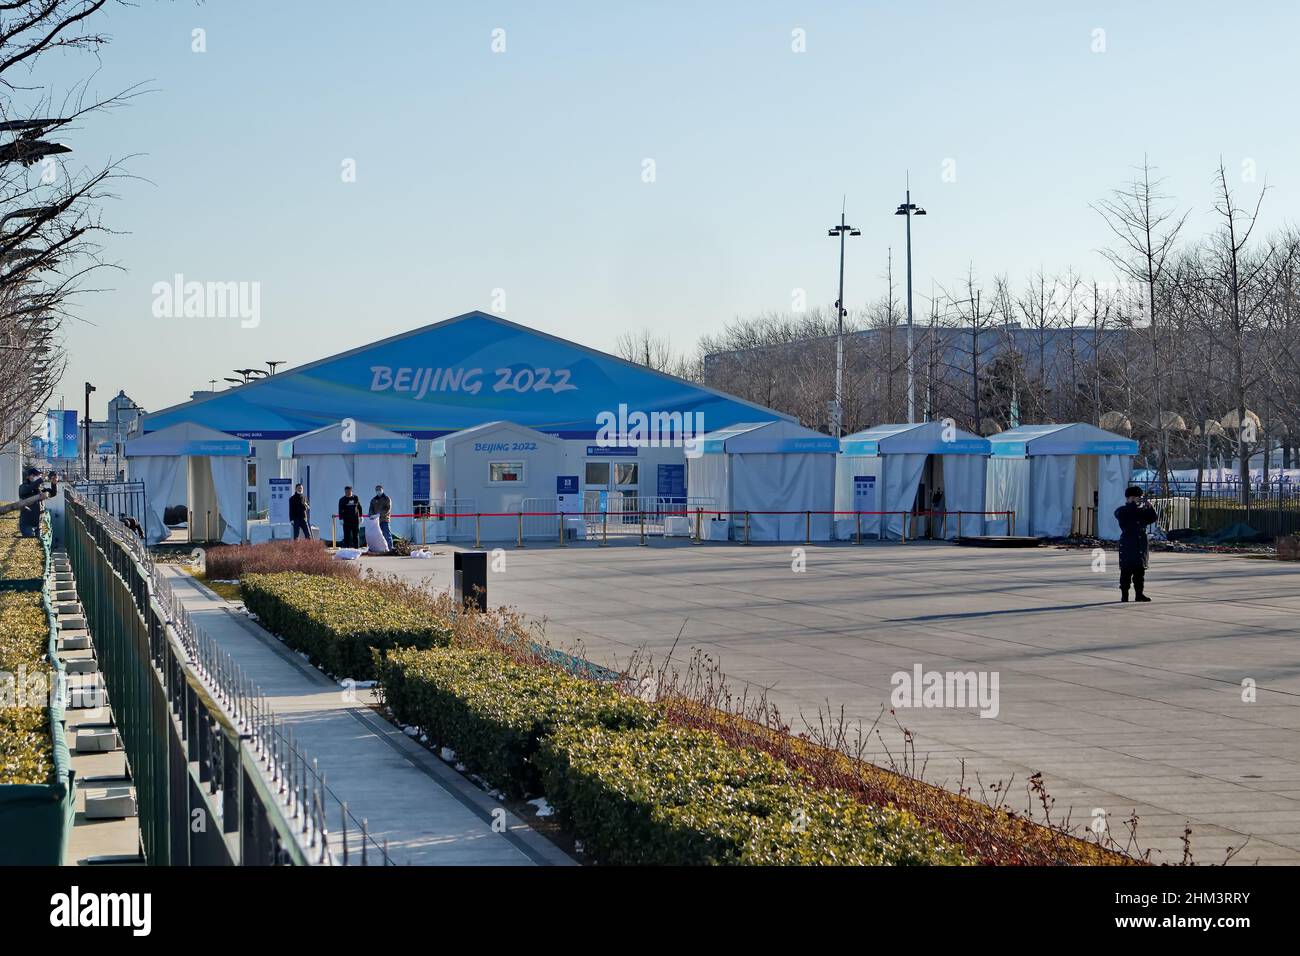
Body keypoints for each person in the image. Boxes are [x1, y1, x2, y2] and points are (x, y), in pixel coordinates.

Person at [1114, 484, 1158, 603]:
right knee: (1126, 573)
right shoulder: (1122, 510)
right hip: (1128, 544)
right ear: (1129, 498)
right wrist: (1135, 505)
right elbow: (1124, 514)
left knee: (1140, 573)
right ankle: (1125, 595)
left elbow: (1153, 518)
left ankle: (1139, 594)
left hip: (1140, 544)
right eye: (1135, 498)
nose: (1137, 500)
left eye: (1138, 498)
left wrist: (1150, 507)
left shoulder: (1141, 511)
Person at [17, 467, 54, 537]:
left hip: (38, 525)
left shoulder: (38, 489)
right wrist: (40, 480)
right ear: (28, 476)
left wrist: (54, 483)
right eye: (35, 475)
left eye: (38, 476)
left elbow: (53, 493)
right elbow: (29, 488)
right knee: (30, 540)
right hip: (27, 524)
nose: (37, 477)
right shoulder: (23, 487)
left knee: (38, 541)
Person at [368, 483, 393, 550]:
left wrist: (380, 514)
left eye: (379, 489)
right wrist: (371, 515)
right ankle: (378, 548)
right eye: (377, 490)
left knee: (387, 534)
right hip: (376, 521)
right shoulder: (373, 500)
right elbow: (371, 509)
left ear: (382, 490)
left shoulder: (387, 498)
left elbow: (388, 508)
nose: (378, 491)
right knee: (376, 536)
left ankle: (390, 548)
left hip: (384, 520)